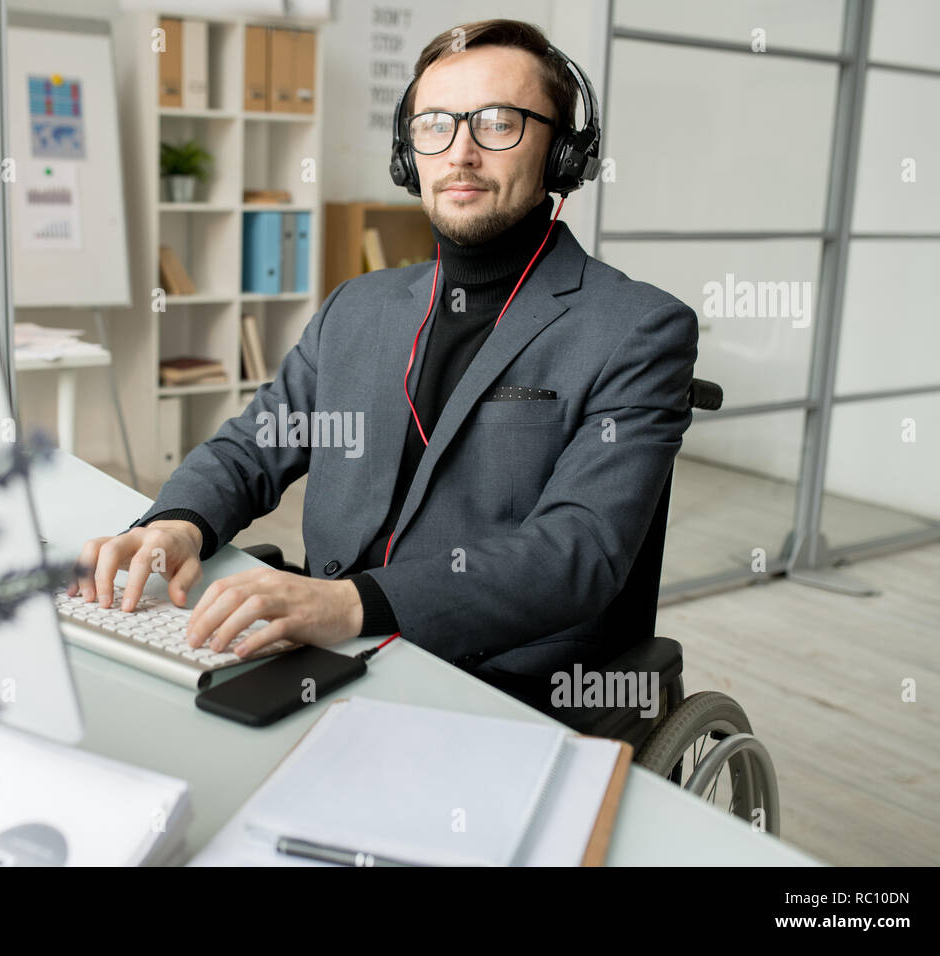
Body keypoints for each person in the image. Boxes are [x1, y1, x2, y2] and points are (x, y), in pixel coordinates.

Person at [71, 18, 696, 706]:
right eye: (435, 125)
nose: (460, 152)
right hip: (327, 654)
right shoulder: (358, 308)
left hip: (501, 684)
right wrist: (178, 522)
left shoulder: (637, 328)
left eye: (497, 123)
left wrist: (348, 604)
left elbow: (575, 553)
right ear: (409, 155)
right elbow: (255, 445)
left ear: (562, 155)